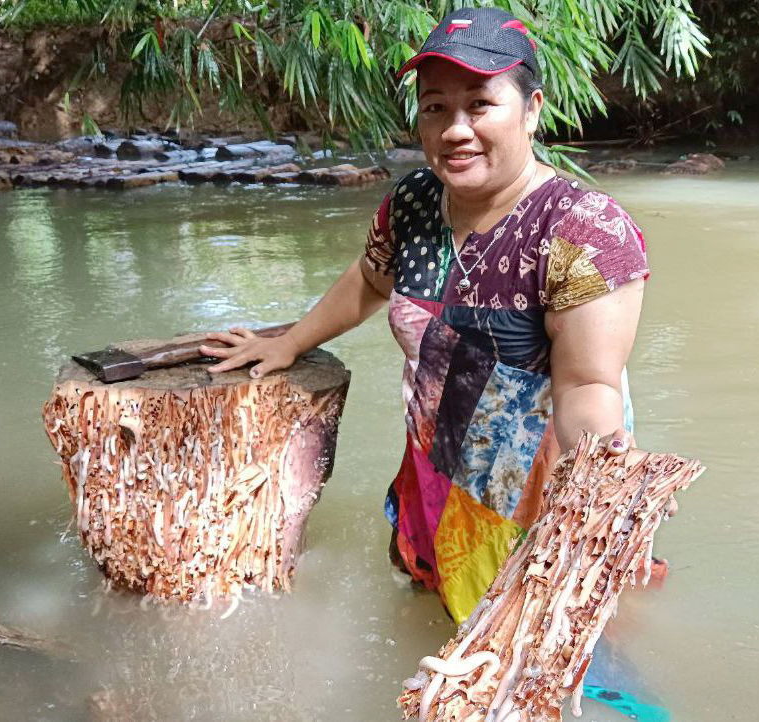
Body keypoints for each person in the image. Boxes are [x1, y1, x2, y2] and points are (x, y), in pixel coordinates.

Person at [200, 6, 650, 624]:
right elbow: (369, 279)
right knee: (429, 621)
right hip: (435, 466)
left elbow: (588, 387)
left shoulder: (584, 232)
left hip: (538, 491)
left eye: (480, 105)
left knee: (549, 659)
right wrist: (291, 341)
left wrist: (599, 485)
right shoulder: (413, 201)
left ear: (533, 108)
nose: (454, 130)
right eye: (435, 107)